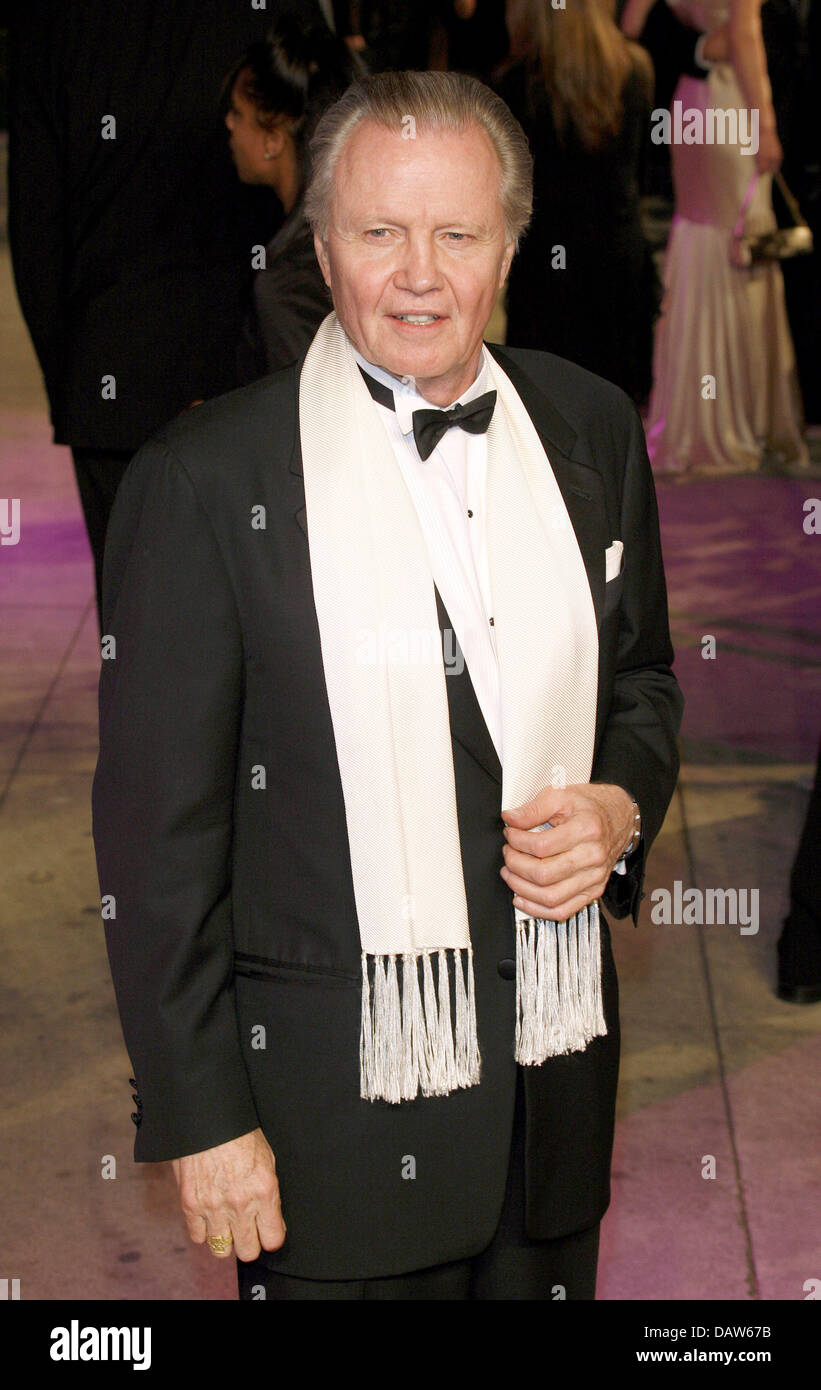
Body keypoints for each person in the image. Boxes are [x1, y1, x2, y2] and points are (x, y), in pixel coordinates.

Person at [92, 70, 683, 1301]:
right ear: (321, 244)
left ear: (509, 246)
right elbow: (158, 847)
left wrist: (616, 814)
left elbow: (641, 682)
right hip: (325, 1130)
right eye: (378, 233)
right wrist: (203, 1120)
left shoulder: (586, 430)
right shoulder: (205, 482)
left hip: (548, 1103)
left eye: (456, 233)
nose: (418, 273)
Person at [6, 1, 278, 631]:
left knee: (135, 631)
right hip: (245, 365)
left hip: (111, 364)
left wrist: (71, 371)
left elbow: (37, 224)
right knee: (250, 625)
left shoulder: (53, 22)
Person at [623, 0, 809, 476]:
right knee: (739, 247)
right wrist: (765, 126)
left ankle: (693, 418)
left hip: (691, 106)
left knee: (701, 238)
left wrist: (699, 42)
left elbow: (632, 23)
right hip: (733, 105)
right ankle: (739, 421)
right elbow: (745, 38)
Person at [496, 0, 659, 405]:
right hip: (619, 256)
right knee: (617, 414)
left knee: (547, 412)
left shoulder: (516, 83)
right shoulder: (636, 70)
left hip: (548, 269)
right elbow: (644, 171)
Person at [224, 14, 357, 382]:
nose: (229, 125)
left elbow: (303, 423)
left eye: (238, 113)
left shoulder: (287, 284)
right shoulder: (360, 242)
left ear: (273, 139)